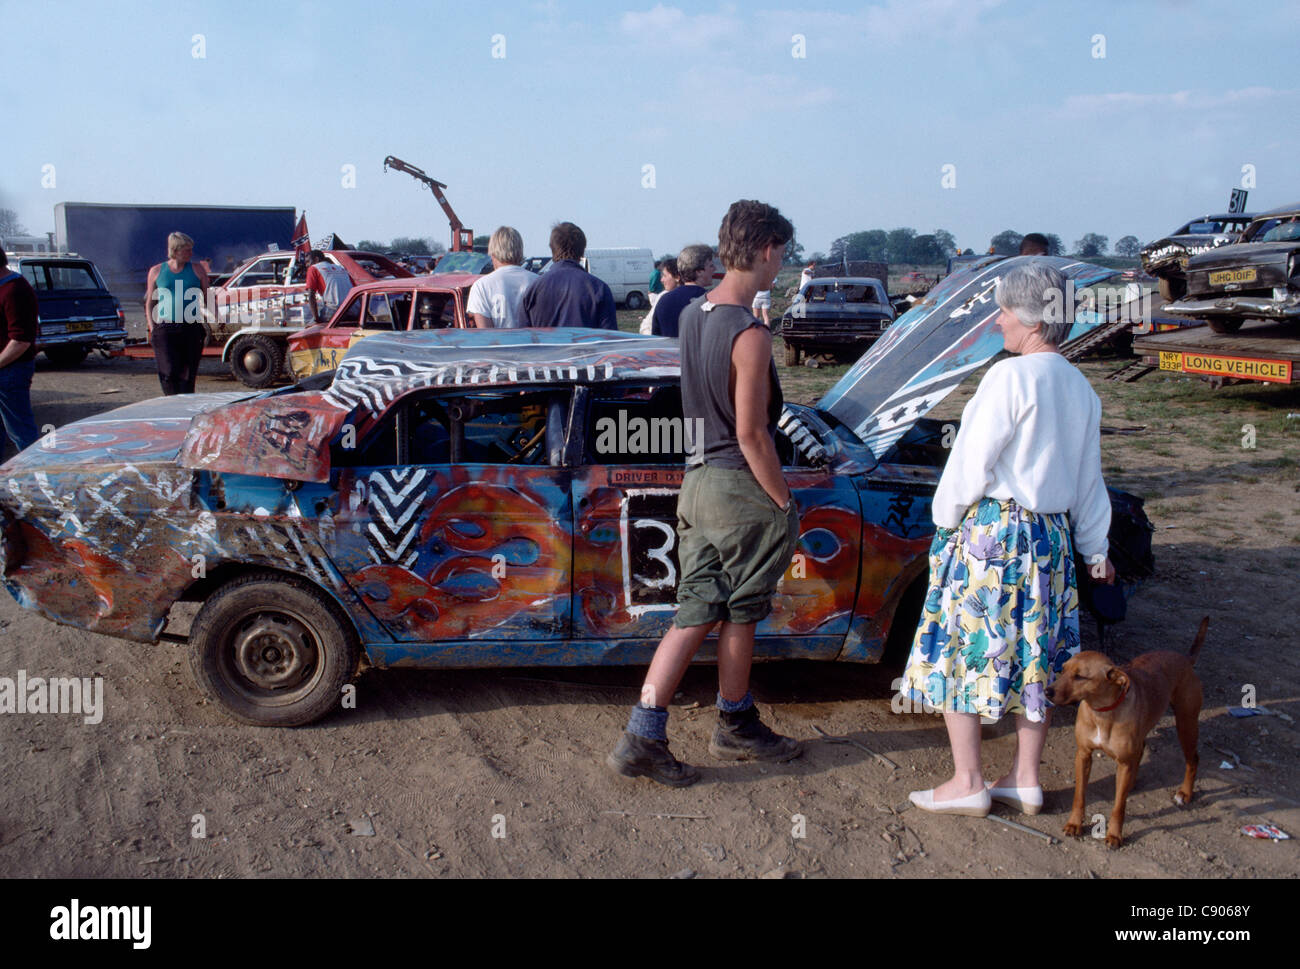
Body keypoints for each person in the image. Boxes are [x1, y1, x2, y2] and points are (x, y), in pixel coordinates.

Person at [898, 261, 1115, 817]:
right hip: (1052, 540)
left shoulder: (1009, 377)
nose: (997, 323)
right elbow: (1090, 479)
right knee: (1037, 659)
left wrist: (945, 523)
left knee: (961, 649)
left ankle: (968, 780)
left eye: (1002, 312)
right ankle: (1024, 779)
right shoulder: (1081, 387)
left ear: (1029, 318)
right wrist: (1096, 550)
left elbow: (971, 464)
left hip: (994, 535)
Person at [607, 200, 799, 786]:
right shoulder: (750, 333)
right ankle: (732, 723)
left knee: (696, 612)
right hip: (740, 492)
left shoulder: (693, 314)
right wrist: (785, 502)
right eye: (781, 256)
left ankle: (649, 730)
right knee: (739, 613)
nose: (780, 268)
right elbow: (751, 433)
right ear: (767, 249)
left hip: (696, 485)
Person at [518, 222, 617, 329]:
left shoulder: (533, 290)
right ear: (582, 251)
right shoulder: (599, 289)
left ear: (552, 249)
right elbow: (609, 339)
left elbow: (524, 340)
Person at [145, 231, 209, 395]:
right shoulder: (157, 271)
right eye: (187, 250)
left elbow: (208, 298)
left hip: (191, 327)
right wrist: (153, 328)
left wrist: (212, 322)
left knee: (188, 374)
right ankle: (171, 403)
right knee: (169, 371)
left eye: (191, 249)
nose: (191, 253)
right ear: (175, 250)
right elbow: (150, 302)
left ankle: (186, 408)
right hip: (166, 328)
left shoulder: (197, 270)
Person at [0, 251, 43, 456]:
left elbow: (21, 341)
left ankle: (36, 478)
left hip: (10, 371)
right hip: (4, 369)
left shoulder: (14, 290)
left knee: (21, 432)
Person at [466, 226, 535, 328]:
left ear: (492, 252)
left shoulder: (481, 286)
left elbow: (486, 335)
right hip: (532, 343)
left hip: (498, 343)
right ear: (520, 250)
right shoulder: (538, 282)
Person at [649, 244, 714, 338]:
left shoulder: (664, 300)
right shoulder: (710, 301)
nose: (714, 269)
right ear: (699, 271)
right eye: (711, 266)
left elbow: (656, 338)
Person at [305, 250, 353, 323]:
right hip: (353, 309)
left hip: (334, 310)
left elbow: (311, 295)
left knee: (309, 329)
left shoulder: (313, 268)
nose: (307, 265)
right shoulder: (341, 268)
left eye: (308, 261)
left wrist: (316, 318)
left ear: (316, 259)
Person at [639, 257, 678, 335]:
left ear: (677, 277)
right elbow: (646, 325)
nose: (662, 280)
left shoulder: (664, 296)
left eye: (665, 276)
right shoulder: (662, 296)